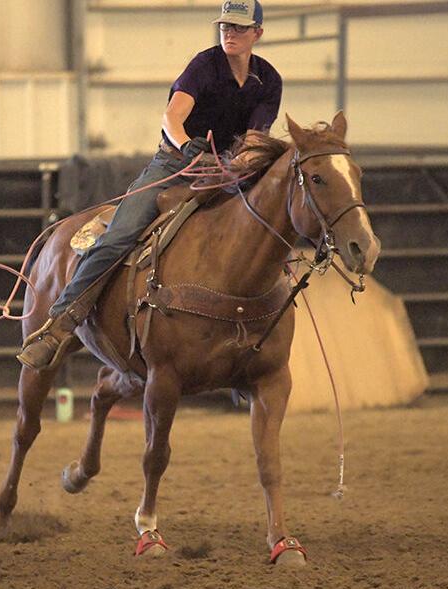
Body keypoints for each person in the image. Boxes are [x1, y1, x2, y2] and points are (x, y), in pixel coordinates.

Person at [18, 0, 282, 370]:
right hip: (175, 163)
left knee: (264, 223)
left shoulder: (268, 80)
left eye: (238, 28)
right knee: (120, 234)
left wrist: (237, 165)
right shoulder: (204, 65)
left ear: (258, 33)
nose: (230, 33)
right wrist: (185, 145)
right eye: (225, 27)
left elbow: (256, 136)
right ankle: (60, 324)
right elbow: (173, 114)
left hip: (226, 169)